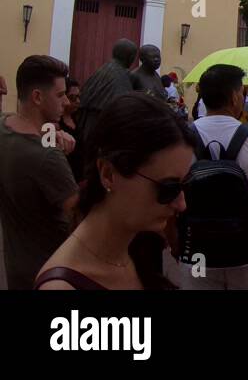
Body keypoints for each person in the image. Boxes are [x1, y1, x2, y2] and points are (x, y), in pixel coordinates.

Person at [35, 93, 196, 290]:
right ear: (108, 174)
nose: (181, 203)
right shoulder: (61, 287)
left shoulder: (139, 246)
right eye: (168, 188)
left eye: (184, 186)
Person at [182, 65, 248, 290]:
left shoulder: (181, 140)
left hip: (199, 254)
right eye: (242, 92)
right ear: (233, 97)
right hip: (247, 255)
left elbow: (169, 200)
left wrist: (175, 245)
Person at [0, 56, 79, 290]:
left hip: (18, 270)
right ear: (37, 97)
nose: (66, 102)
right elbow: (80, 223)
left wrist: (50, 135)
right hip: (51, 274)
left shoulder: (4, 126)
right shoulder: (48, 158)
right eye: (60, 95)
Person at [75, 39, 137, 150]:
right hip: (99, 130)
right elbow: (121, 108)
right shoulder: (118, 76)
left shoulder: (104, 70)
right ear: (130, 56)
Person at [59, 78, 85, 181]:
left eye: (78, 97)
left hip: (79, 175)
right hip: (65, 176)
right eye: (72, 98)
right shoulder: (56, 122)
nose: (77, 101)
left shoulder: (77, 118)